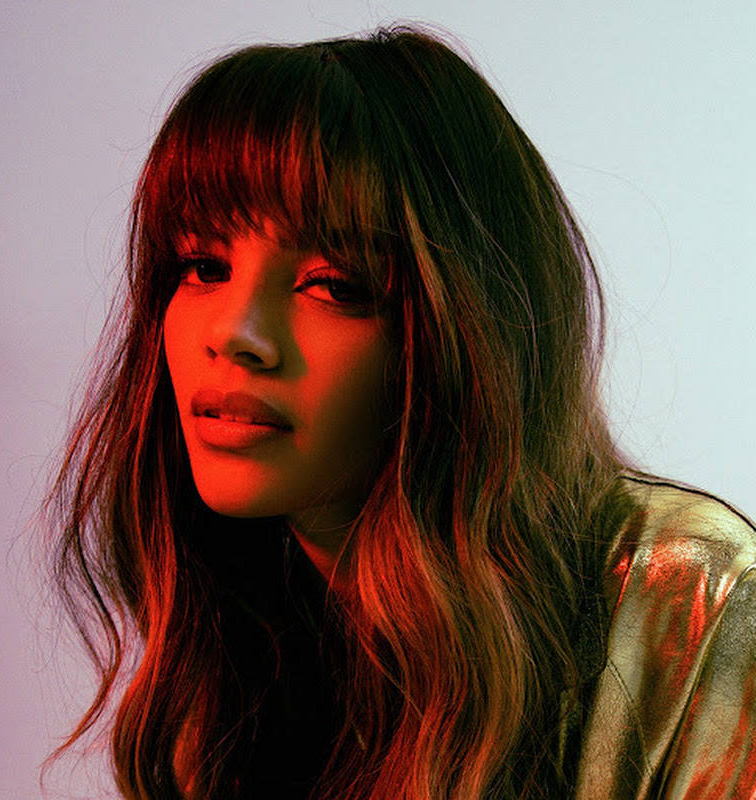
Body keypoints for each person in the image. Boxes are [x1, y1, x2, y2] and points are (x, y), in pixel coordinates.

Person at [41, 25, 756, 800]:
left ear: (466, 333)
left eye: (335, 284)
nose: (236, 333)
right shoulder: (233, 659)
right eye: (204, 266)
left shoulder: (694, 604)